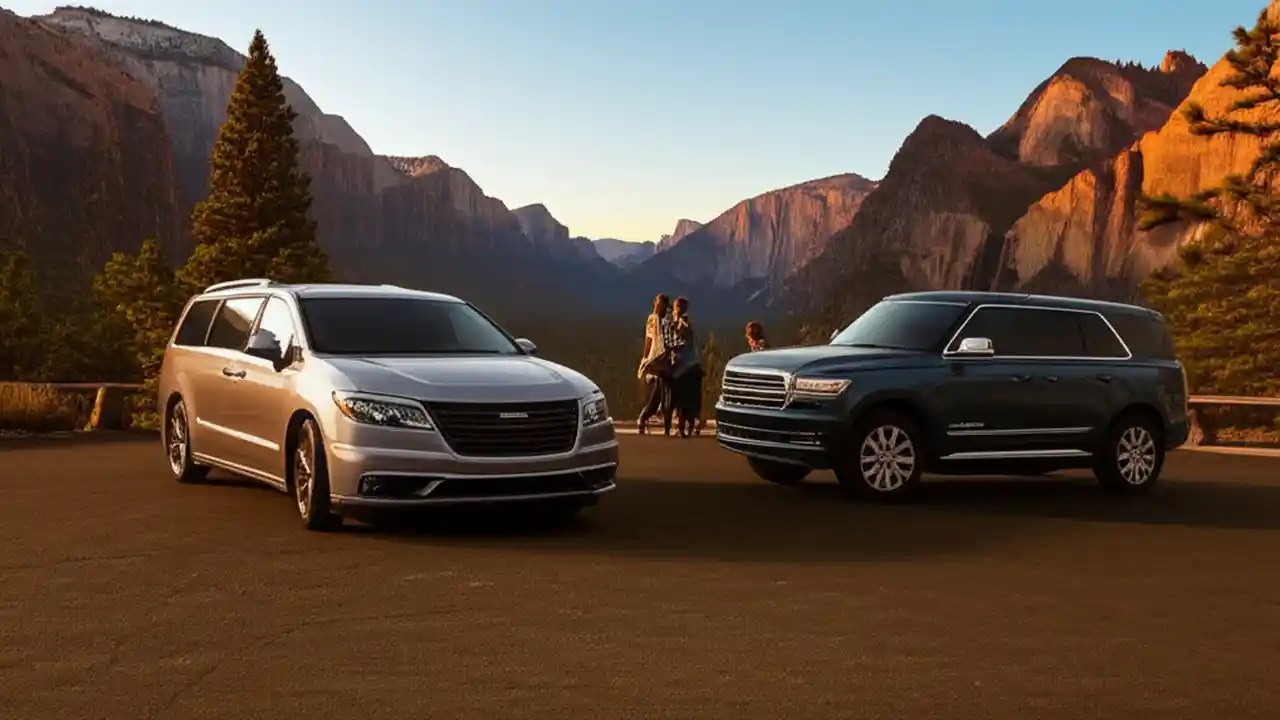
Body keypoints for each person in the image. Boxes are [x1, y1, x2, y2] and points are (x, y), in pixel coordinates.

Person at [636, 293, 674, 434]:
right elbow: (649, 339)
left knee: (663, 390)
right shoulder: (653, 319)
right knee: (660, 390)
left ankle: (649, 416)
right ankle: (649, 415)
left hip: (666, 358)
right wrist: (646, 357)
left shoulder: (668, 318)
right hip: (657, 358)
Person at [669, 296, 702, 438]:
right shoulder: (678, 323)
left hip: (685, 367)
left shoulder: (684, 323)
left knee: (683, 400)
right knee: (689, 399)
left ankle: (684, 426)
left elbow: (683, 341)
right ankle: (686, 425)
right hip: (688, 365)